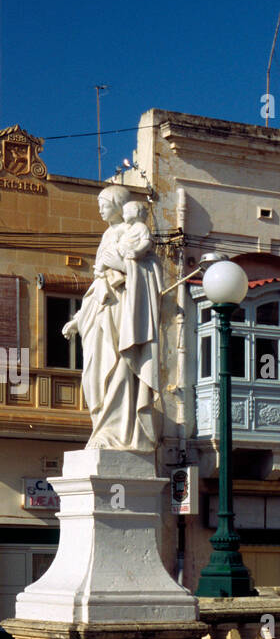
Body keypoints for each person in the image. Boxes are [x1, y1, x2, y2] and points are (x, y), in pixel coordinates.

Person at [63, 186, 162, 449]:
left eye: (104, 203)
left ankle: (117, 432)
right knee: (94, 373)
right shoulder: (108, 233)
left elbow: (149, 272)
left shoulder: (133, 231)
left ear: (119, 205)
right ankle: (102, 428)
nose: (99, 208)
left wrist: (119, 264)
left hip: (121, 310)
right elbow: (98, 279)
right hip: (100, 309)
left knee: (118, 364)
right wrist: (79, 318)